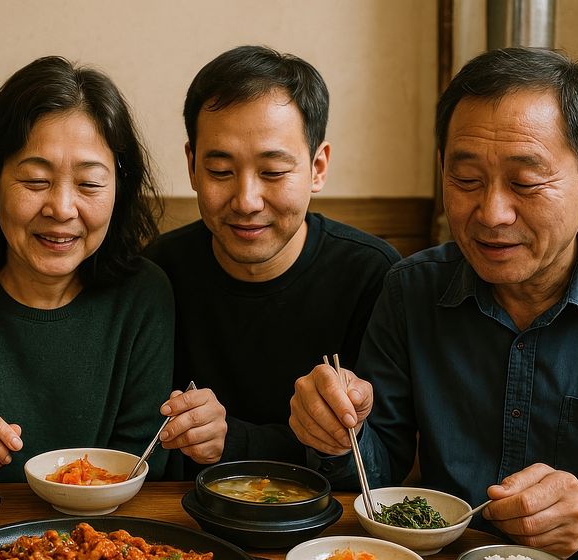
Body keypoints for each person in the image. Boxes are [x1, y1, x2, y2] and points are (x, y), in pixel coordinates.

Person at [289, 47, 578, 560]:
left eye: (526, 182)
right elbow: (377, 477)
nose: (491, 212)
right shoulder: (412, 290)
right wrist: (339, 436)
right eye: (466, 179)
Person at [0, 56, 174, 482]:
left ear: (119, 190)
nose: (62, 209)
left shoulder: (144, 294)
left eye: (89, 184)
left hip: (104, 539)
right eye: (35, 181)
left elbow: (141, 462)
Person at [144, 45, 400, 479]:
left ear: (317, 167)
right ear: (192, 166)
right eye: (221, 172)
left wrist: (337, 434)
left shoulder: (371, 275)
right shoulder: (157, 274)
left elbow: (385, 467)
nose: (246, 201)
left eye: (274, 172)